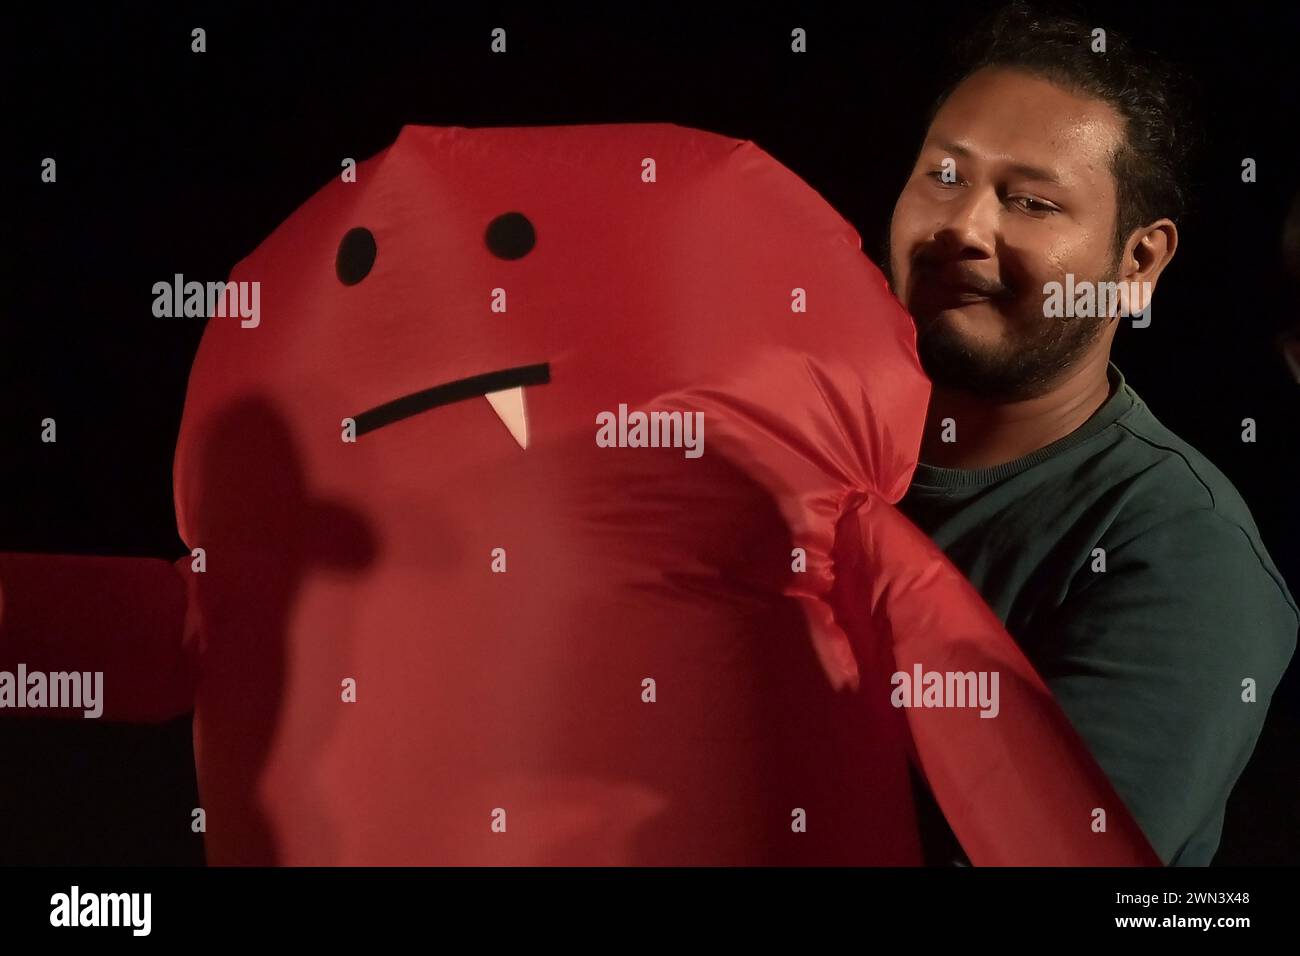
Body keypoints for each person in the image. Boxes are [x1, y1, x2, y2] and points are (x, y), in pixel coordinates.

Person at [882, 2, 1299, 865]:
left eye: (1030, 201)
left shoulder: (1180, 552)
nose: (963, 228)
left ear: (1137, 265)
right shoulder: (791, 441)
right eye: (945, 176)